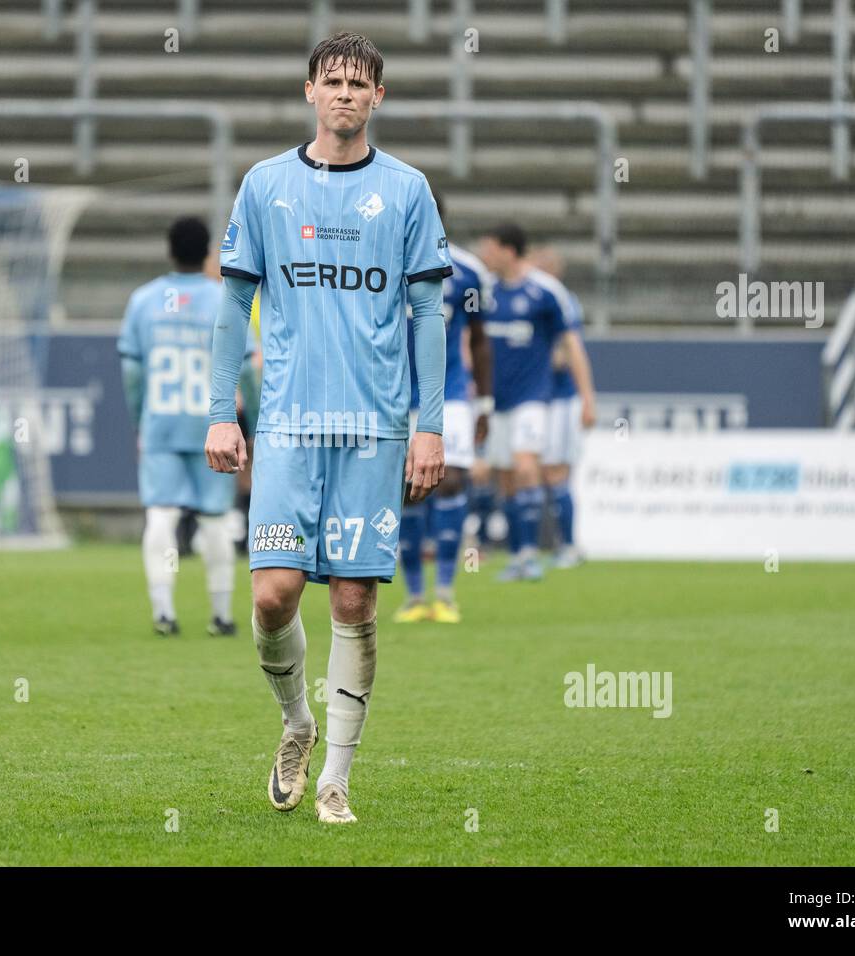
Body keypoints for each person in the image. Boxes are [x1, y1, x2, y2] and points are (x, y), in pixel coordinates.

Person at [205, 32, 450, 824]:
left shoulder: (408, 191)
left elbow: (426, 316)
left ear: (379, 98)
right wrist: (221, 413)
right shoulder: (265, 185)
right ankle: (297, 724)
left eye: (359, 83)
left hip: (374, 429)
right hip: (287, 427)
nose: (345, 93)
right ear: (309, 90)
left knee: (352, 602)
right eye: (332, 80)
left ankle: (338, 778)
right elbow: (231, 306)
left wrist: (429, 428)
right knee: (275, 596)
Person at [120, 216, 257, 636]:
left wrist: (140, 416)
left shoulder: (143, 300)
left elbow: (132, 370)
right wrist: (250, 417)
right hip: (211, 425)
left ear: (169, 249)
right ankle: (221, 615)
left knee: (161, 515)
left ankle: (164, 611)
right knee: (215, 518)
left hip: (161, 423)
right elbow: (249, 369)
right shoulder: (224, 300)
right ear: (205, 253)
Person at [394, 188, 493, 624]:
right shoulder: (384, 260)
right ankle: (415, 597)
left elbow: (481, 340)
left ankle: (447, 593)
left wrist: (485, 403)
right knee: (408, 492)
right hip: (393, 397)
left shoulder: (469, 271)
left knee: (450, 481)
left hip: (448, 395)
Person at [477, 223, 592, 582]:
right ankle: (517, 554)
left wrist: (588, 397)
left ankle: (530, 556)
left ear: (508, 251)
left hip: (534, 398)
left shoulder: (546, 292)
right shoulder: (485, 291)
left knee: (528, 467)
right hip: (496, 401)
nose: (485, 255)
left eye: (490, 248)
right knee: (507, 478)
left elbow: (572, 344)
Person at [528, 245, 596, 568]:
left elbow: (566, 351)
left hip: (559, 398)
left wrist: (587, 398)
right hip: (539, 398)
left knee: (556, 471)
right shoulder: (539, 298)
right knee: (538, 471)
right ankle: (548, 545)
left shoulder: (560, 300)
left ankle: (569, 545)